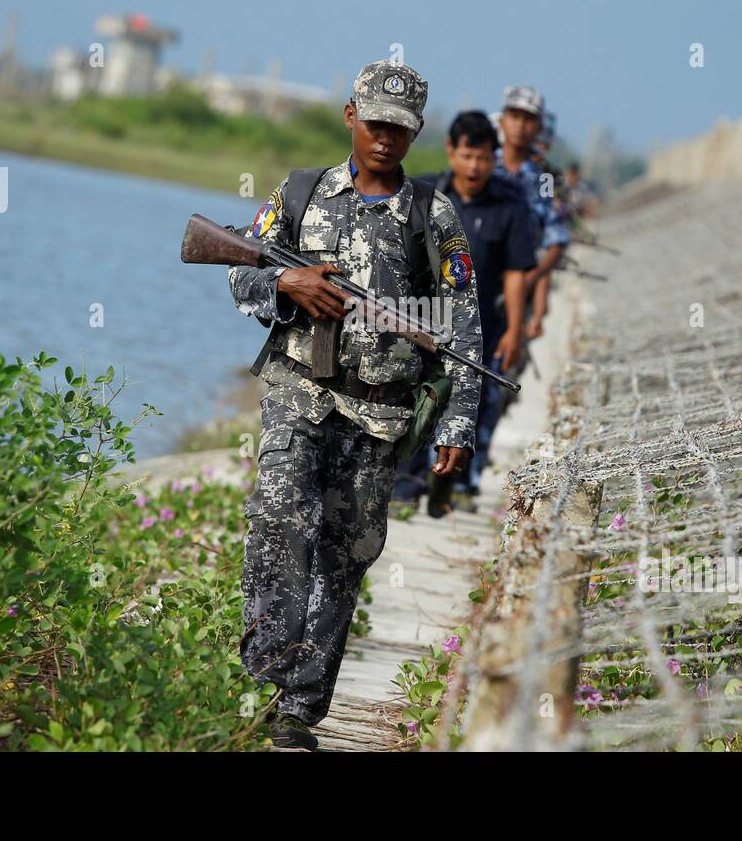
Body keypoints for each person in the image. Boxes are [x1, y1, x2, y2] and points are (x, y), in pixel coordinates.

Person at [226, 60, 483, 750]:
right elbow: (238, 274)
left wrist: (456, 426)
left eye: (400, 129)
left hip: (379, 417)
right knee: (279, 521)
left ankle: (297, 713)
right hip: (297, 396)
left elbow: (461, 329)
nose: (385, 139)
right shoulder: (301, 192)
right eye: (375, 123)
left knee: (346, 555)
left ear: (416, 132)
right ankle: (263, 678)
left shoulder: (432, 216)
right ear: (350, 116)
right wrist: (290, 285)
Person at [390, 111, 537, 512]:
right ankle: (407, 482)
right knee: (417, 397)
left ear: (495, 158)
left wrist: (515, 331)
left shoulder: (510, 204)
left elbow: (516, 272)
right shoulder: (424, 196)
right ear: (451, 151)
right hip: (423, 318)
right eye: (468, 155)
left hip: (483, 324)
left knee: (473, 400)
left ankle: (454, 484)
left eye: (485, 158)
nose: (475, 166)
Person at [494, 86, 569, 342]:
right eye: (514, 116)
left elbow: (555, 239)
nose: (520, 125)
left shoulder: (544, 178)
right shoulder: (482, 166)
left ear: (538, 127)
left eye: (528, 119)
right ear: (502, 121)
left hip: (521, 288)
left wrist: (531, 280)